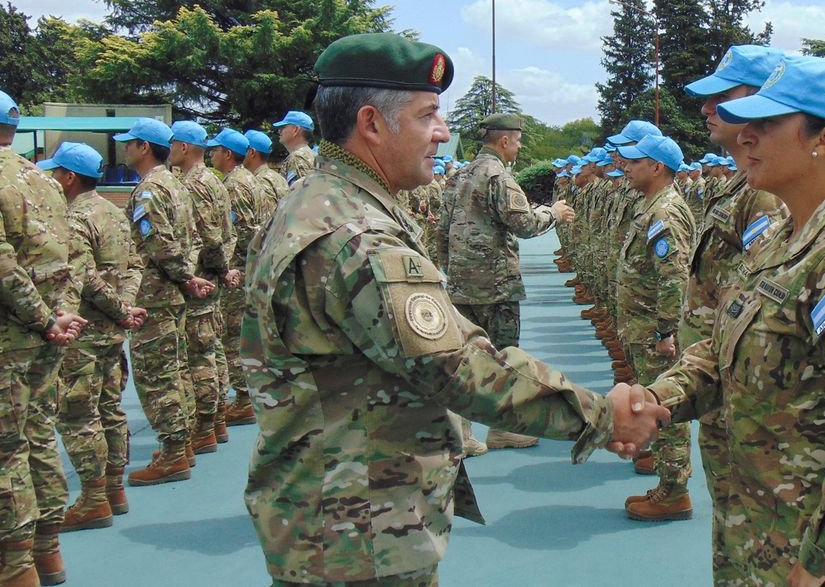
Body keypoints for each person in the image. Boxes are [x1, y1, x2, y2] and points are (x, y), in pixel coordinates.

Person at [238, 33, 666, 586]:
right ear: (371, 123)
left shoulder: (326, 202)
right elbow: (458, 365)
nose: (443, 132)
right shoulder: (356, 234)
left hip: (338, 511)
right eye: (427, 115)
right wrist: (601, 415)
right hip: (354, 531)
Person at [642, 56, 825, 586]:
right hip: (770, 519)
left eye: (766, 125)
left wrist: (821, 557)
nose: (746, 137)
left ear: (824, 140)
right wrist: (660, 400)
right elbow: (723, 348)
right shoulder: (781, 240)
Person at [676, 43, 786, 576]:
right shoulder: (744, 185)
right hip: (719, 371)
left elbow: (761, 306)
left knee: (755, 530)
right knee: (734, 519)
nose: (707, 107)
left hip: (747, 389)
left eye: (723, 95)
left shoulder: (764, 197)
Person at [436, 112, 577, 450]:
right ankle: (500, 429)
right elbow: (524, 224)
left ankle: (463, 435)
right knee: (503, 357)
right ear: (504, 141)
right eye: (517, 139)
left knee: (463, 361)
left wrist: (452, 270)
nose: (519, 145)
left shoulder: (458, 176)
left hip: (461, 283)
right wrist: (553, 214)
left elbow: (442, 231)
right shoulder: (499, 176)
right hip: (495, 284)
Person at [0, 90, 88, 587]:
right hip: (44, 334)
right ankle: (47, 553)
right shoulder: (43, 181)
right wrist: (59, 316)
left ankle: (15, 569)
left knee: (5, 453)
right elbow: (69, 256)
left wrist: (41, 318)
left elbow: (4, 266)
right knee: (35, 438)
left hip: (13, 335)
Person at [38, 143, 143, 534]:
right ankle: (113, 490)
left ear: (68, 177)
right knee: (110, 410)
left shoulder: (77, 218)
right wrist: (128, 307)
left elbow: (85, 280)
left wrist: (118, 309)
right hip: (112, 333)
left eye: (56, 172)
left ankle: (94, 499)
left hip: (84, 333)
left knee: (79, 416)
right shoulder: (112, 213)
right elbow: (134, 265)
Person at [113, 118, 214, 486]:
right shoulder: (173, 184)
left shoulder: (151, 190)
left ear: (144, 148)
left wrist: (185, 279)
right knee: (175, 370)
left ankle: (173, 452)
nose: (125, 148)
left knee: (157, 377)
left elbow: (159, 243)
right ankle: (181, 445)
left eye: (130, 142)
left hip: (156, 294)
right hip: (171, 293)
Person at [614, 132, 696, 521]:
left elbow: (674, 278)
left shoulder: (664, 212)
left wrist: (666, 332)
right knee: (653, 401)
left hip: (654, 331)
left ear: (657, 167)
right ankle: (667, 476)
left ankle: (674, 491)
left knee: (665, 408)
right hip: (642, 327)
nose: (627, 167)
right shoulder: (651, 206)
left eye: (635, 161)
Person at [169, 121, 239, 453]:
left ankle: (205, 426)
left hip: (202, 276)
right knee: (212, 349)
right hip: (213, 273)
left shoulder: (195, 183)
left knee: (199, 354)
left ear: (184, 148)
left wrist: (220, 270)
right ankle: (215, 422)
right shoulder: (212, 180)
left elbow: (210, 235)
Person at [207, 127, 264, 425]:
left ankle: (243, 397)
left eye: (215, 150)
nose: (211, 154)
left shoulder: (235, 186)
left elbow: (244, 232)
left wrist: (235, 269)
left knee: (233, 334)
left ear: (228, 154)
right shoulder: (244, 180)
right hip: (244, 269)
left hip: (238, 270)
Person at [245, 129, 290, 214]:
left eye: (243, 149)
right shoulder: (278, 177)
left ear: (252, 152)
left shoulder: (259, 182)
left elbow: (266, 221)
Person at [274, 110, 317, 185]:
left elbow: (297, 194)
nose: (279, 131)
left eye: (283, 127)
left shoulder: (297, 158)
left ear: (296, 129)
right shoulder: (313, 155)